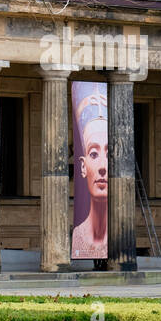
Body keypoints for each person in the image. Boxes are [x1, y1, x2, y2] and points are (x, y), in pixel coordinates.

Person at [71, 90, 108, 260]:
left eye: (109, 154)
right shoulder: (78, 234)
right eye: (93, 154)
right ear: (83, 166)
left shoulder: (119, 234)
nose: (102, 167)